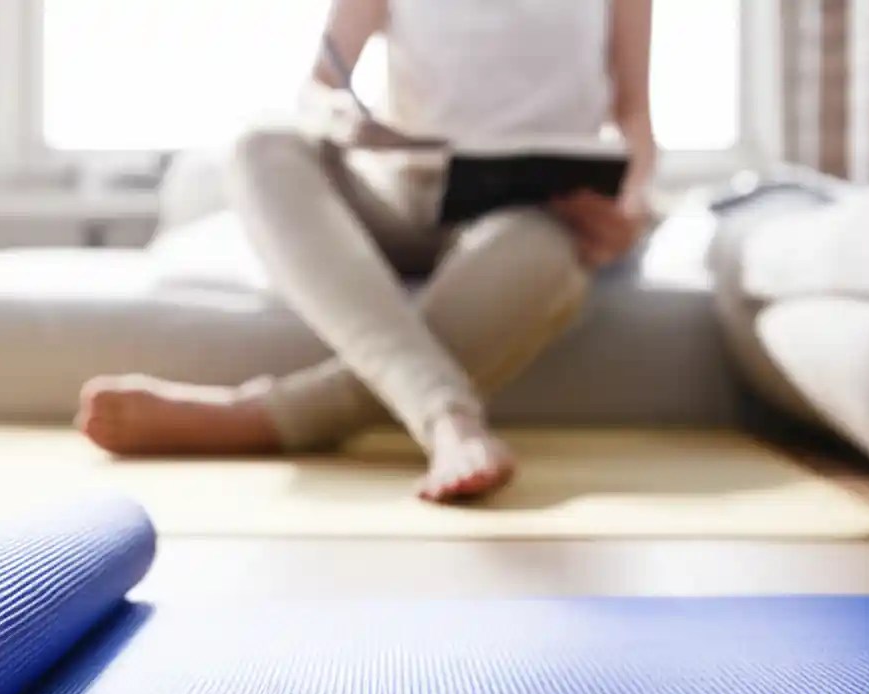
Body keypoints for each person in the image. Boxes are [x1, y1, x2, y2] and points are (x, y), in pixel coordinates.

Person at [76, 0, 656, 503]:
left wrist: (630, 204)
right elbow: (321, 84)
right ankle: (447, 420)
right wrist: (338, 114)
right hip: (397, 195)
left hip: (531, 215)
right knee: (261, 148)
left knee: (547, 257)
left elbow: (634, 116)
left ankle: (268, 416)